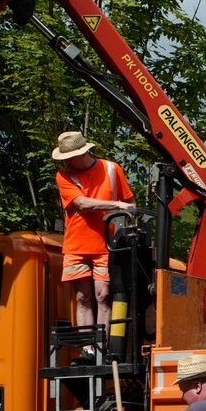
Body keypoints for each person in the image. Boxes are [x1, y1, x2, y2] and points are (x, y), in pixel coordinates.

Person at [50, 130, 134, 338]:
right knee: (82, 297)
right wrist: (116, 205)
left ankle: (101, 348)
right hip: (76, 247)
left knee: (103, 295)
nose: (66, 162)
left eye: (69, 158)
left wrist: (125, 227)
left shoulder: (112, 169)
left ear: (81, 153)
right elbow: (82, 203)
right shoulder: (63, 175)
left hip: (106, 245)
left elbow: (130, 204)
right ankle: (88, 348)